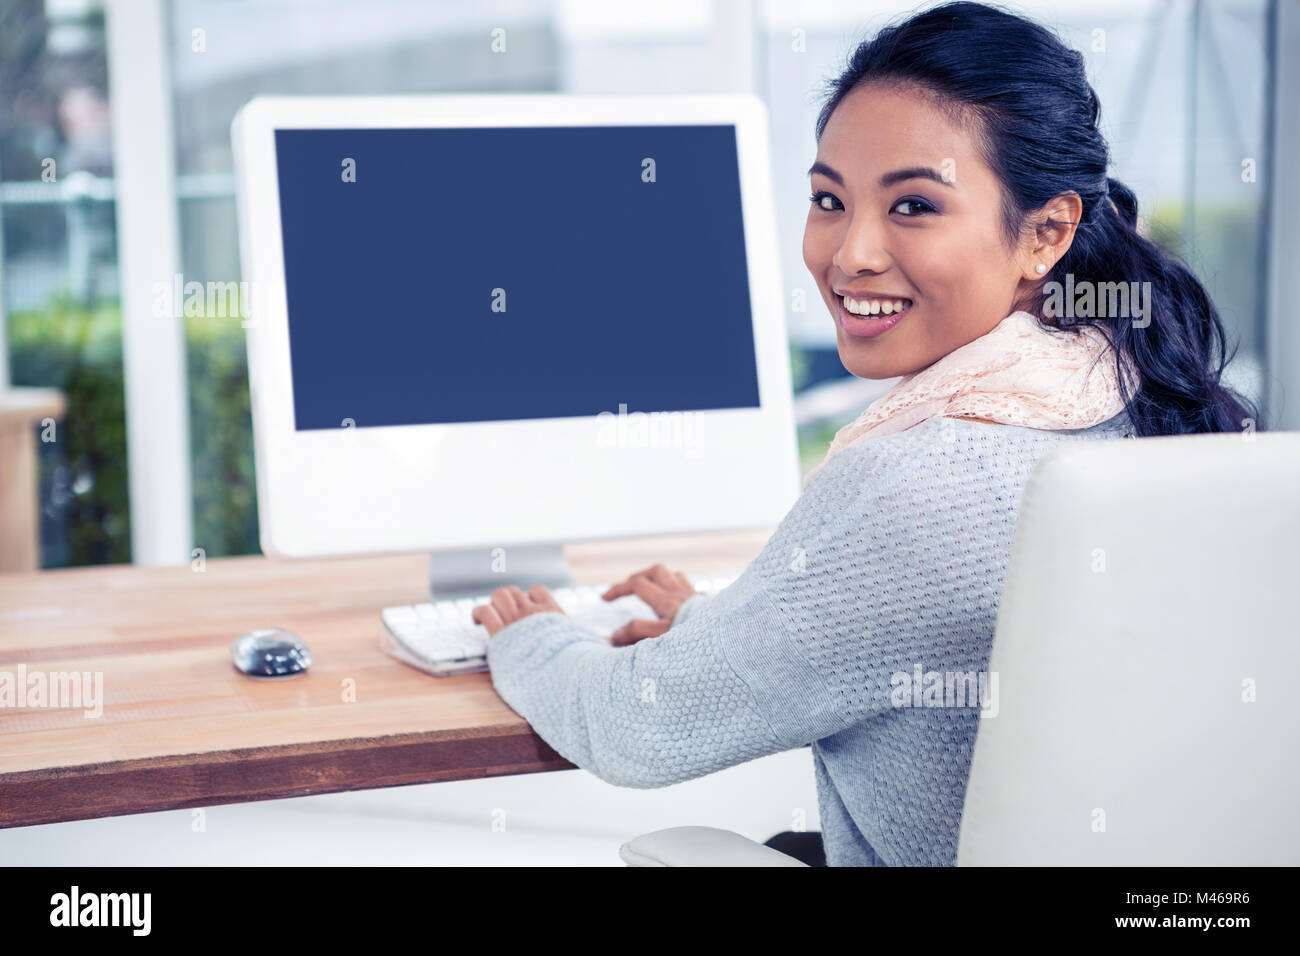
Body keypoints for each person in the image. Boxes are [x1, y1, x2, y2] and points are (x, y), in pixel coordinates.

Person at [471, 1, 1260, 866]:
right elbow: (918, 624)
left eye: (914, 206)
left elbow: (634, 726)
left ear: (1046, 232)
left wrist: (527, 634)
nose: (850, 254)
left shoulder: (916, 483)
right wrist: (720, 618)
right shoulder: (1160, 409)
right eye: (828, 200)